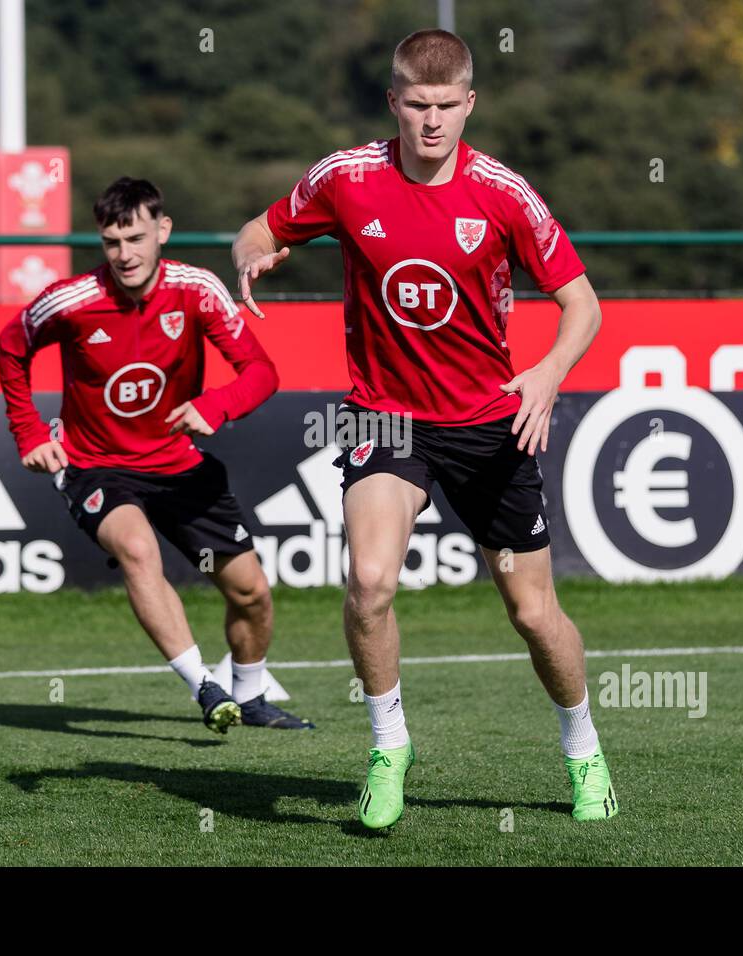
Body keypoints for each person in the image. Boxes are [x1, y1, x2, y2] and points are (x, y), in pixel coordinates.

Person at [232, 30, 614, 826]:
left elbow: (582, 302)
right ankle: (387, 747)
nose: (432, 122)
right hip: (387, 418)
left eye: (446, 107)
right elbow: (261, 228)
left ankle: (583, 747)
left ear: (469, 103)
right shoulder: (347, 179)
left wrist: (546, 372)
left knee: (532, 614)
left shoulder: (505, 193)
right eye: (417, 106)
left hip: (487, 425)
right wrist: (255, 255)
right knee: (370, 583)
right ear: (393, 103)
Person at [0, 176, 314, 733]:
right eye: (113, 242)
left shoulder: (197, 290)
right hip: (96, 465)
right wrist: (29, 435)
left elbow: (262, 373)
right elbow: (11, 345)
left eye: (136, 239)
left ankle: (250, 696)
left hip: (180, 465)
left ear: (162, 231)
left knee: (251, 593)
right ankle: (205, 687)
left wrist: (217, 406)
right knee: (139, 550)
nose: (125, 254)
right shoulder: (72, 302)